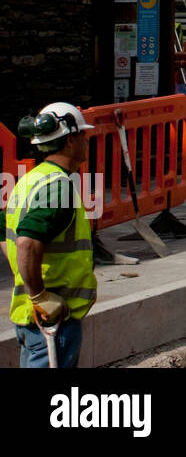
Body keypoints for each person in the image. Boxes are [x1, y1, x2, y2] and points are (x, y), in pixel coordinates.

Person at [7, 102, 97, 368]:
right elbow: (25, 242)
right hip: (51, 321)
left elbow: (5, 231)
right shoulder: (58, 188)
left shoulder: (31, 180)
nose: (86, 142)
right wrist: (40, 296)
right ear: (70, 141)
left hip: (31, 318)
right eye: (84, 136)